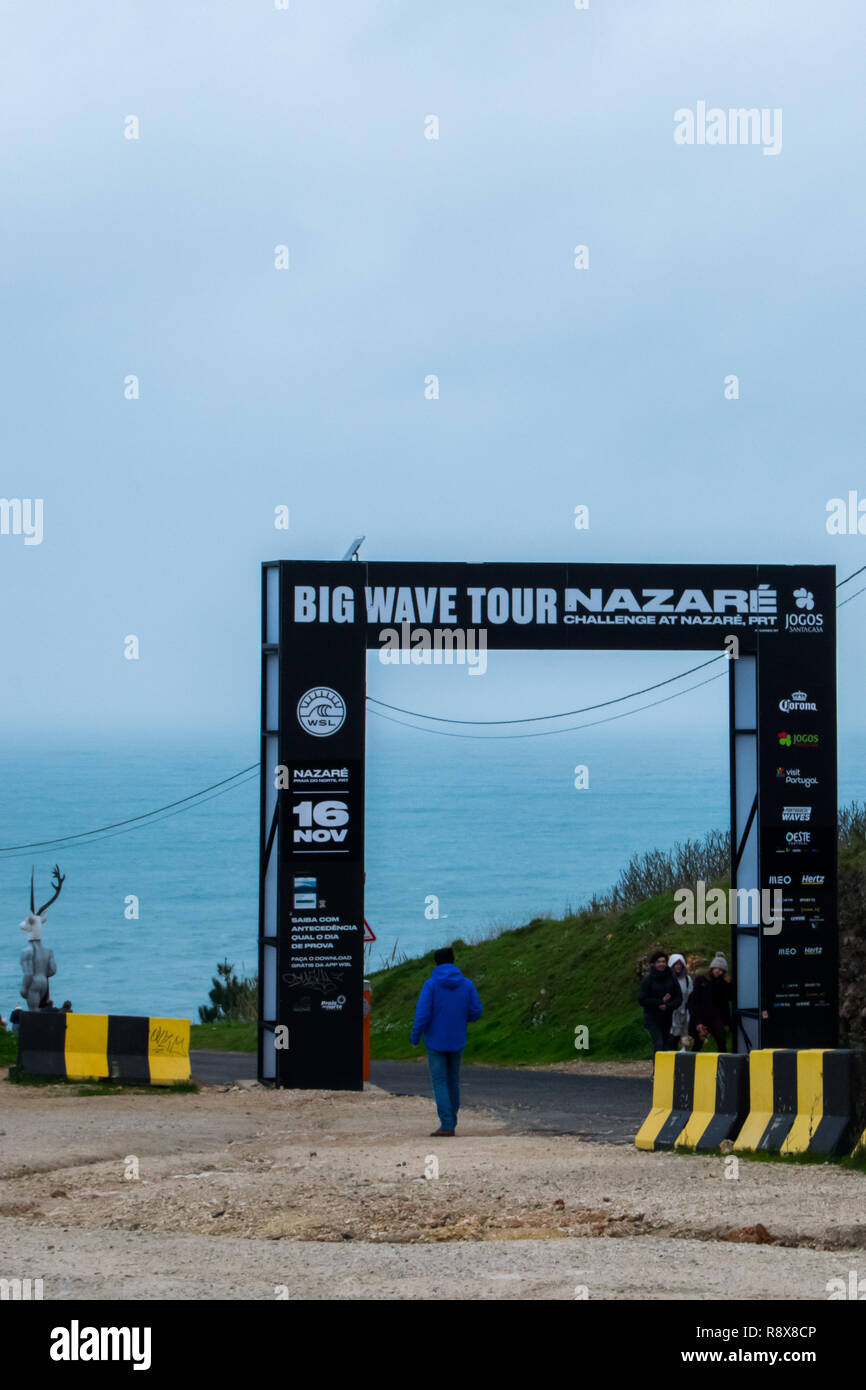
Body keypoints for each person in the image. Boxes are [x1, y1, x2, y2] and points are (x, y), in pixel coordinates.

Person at [410, 946, 482, 1137]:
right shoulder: (467, 984)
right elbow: (476, 1011)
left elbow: (422, 1015)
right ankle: (452, 1121)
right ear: (453, 960)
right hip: (457, 1038)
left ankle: (447, 1124)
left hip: (435, 1040)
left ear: (436, 962)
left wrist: (415, 1036)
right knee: (453, 1080)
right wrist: (462, 1018)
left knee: (440, 1081)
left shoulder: (431, 985)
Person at [638, 950, 682, 1054]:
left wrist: (668, 1006)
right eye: (658, 962)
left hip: (667, 1017)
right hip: (652, 1018)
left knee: (666, 1046)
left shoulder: (672, 978)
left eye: (663, 961)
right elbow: (642, 1000)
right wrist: (659, 1002)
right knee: (659, 1043)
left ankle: (664, 1070)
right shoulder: (648, 980)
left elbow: (679, 998)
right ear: (653, 964)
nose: (661, 964)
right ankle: (657, 1070)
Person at [689, 953, 732, 1053]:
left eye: (721, 970)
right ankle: (691, 1064)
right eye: (717, 968)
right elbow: (694, 1001)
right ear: (712, 968)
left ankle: (722, 1063)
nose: (719, 972)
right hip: (702, 1015)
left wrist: (728, 984)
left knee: (721, 1040)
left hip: (716, 1016)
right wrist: (698, 1021)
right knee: (698, 1043)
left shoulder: (722, 983)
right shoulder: (701, 980)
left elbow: (728, 998)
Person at [668, 953, 693, 1050]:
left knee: (683, 1038)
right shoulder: (667, 978)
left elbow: (690, 995)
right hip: (670, 1013)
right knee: (671, 1038)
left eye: (680, 964)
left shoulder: (687, 979)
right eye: (676, 964)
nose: (678, 966)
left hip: (683, 1013)